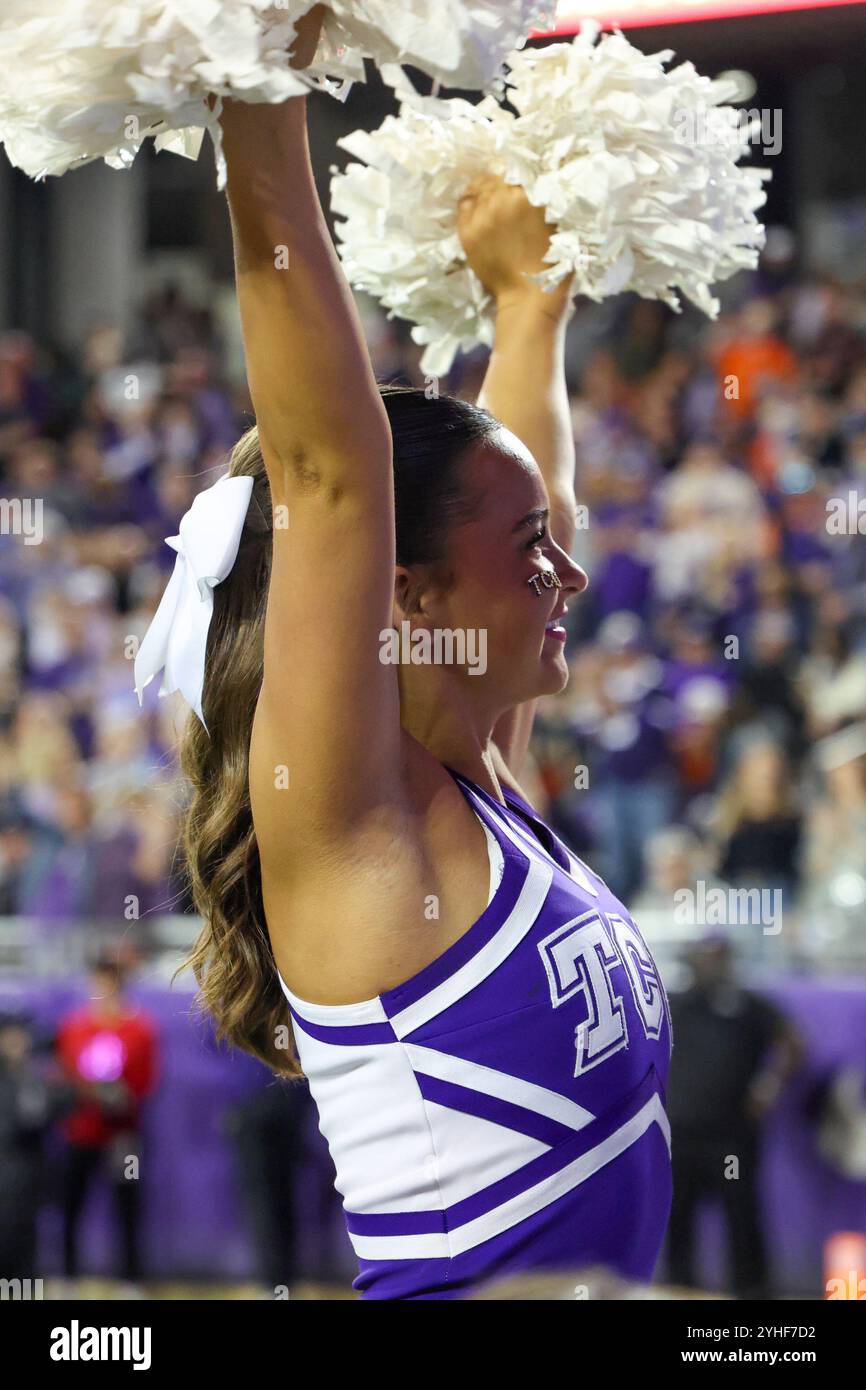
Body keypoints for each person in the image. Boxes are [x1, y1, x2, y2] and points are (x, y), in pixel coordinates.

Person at [139, 9, 673, 1300]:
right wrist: (252, 80)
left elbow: (514, 477)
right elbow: (332, 472)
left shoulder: (482, 779)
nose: (569, 575)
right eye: (530, 551)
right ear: (403, 589)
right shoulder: (353, 818)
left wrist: (528, 305)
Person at [666, 936, 803, 1298]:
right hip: (683, 1138)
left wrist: (769, 1087)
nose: (712, 964)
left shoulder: (747, 1007)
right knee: (678, 1216)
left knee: (740, 1213)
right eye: (705, 956)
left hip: (729, 1143)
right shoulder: (676, 1004)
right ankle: (679, 1287)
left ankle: (752, 1288)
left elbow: (792, 1042)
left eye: (719, 957)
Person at [55, 953, 158, 1290]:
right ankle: (68, 1278)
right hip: (81, 1131)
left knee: (127, 1205)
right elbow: (65, 1075)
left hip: (121, 1134)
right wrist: (88, 1093)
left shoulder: (139, 1030)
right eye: (97, 982)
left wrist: (121, 1095)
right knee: (71, 1204)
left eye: (108, 983)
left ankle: (130, 1280)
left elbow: (146, 1080)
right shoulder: (74, 1027)